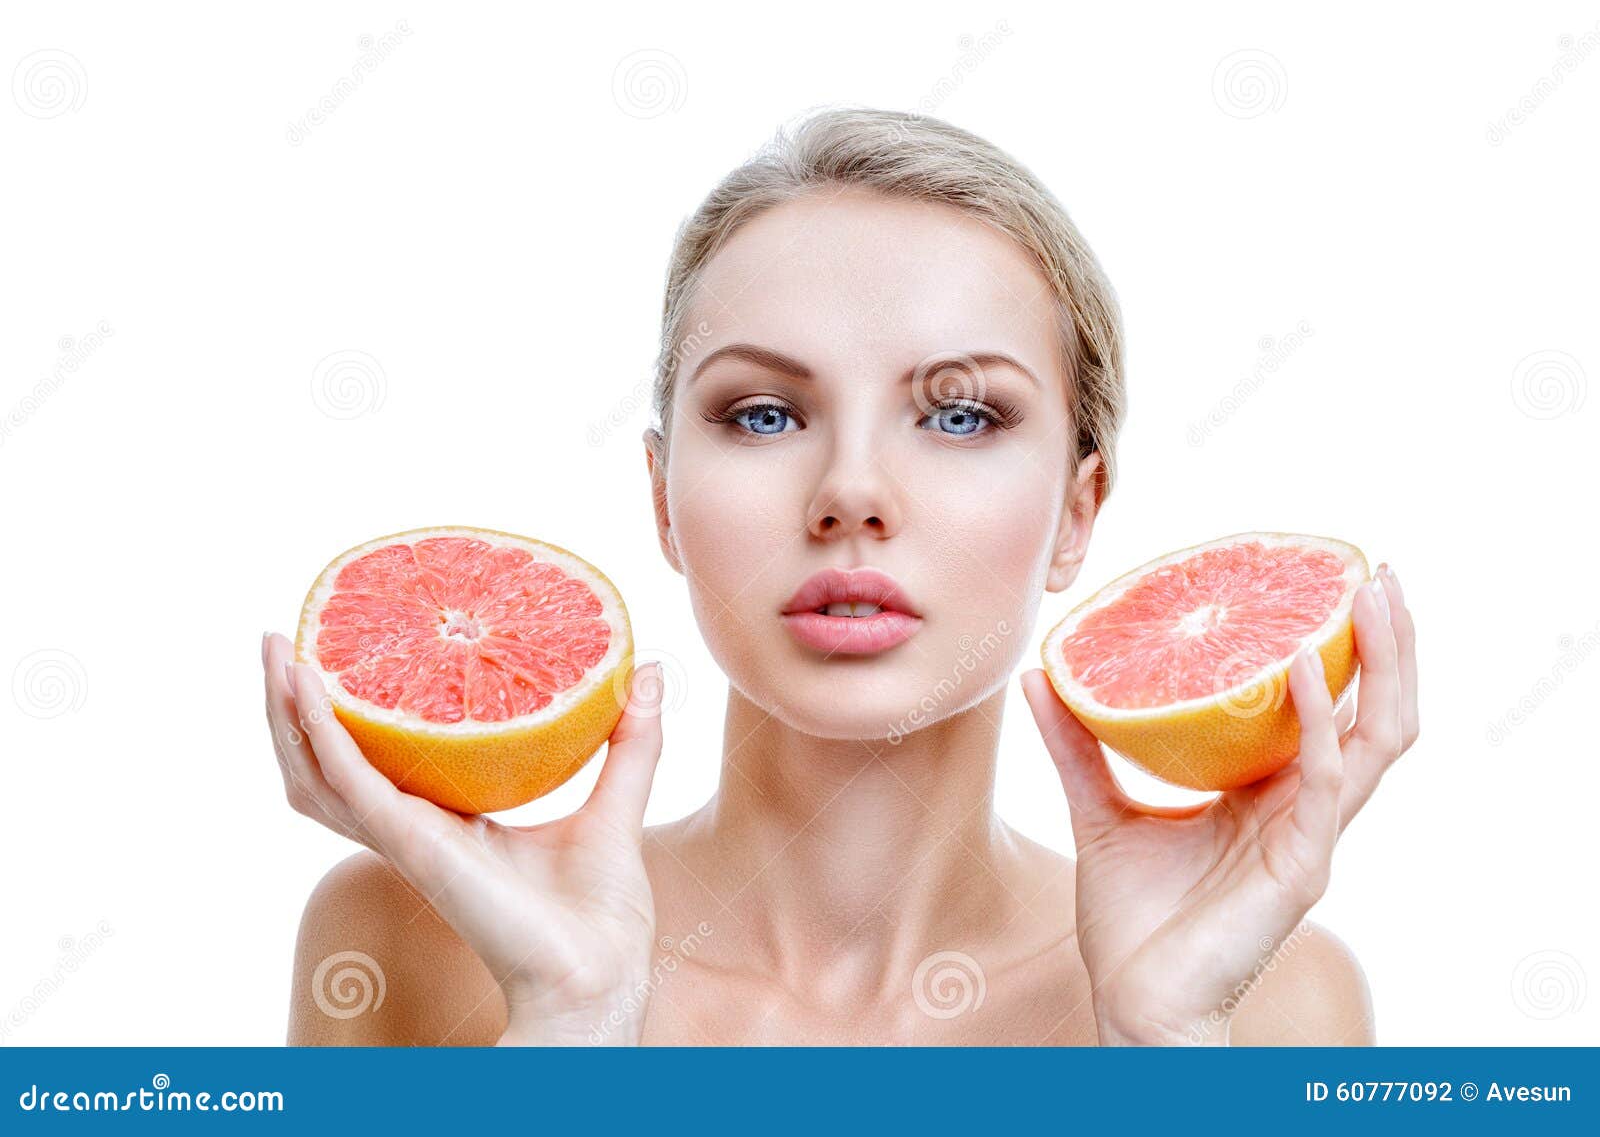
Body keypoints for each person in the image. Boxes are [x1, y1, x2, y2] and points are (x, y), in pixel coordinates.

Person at [263, 107, 1418, 1045]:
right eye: (764, 413)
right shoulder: (415, 944)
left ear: (1079, 511)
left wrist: (1166, 1042)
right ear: (662, 497)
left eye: (959, 415)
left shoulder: (1271, 1001)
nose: (851, 491)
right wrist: (569, 1022)